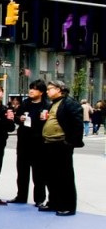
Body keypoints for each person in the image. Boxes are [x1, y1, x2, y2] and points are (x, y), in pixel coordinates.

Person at [38, 80, 83, 216]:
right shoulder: (54, 103)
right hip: (49, 143)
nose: (47, 91)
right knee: (51, 176)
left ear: (59, 89)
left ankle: (68, 206)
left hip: (61, 144)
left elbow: (77, 123)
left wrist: (70, 142)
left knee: (64, 176)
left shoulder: (69, 103)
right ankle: (54, 202)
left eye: (50, 88)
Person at [8, 80, 50, 205]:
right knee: (22, 172)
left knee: (39, 173)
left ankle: (39, 199)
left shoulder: (46, 105)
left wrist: (45, 119)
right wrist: (19, 118)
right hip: (23, 142)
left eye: (35, 89)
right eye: (30, 88)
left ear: (41, 92)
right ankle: (21, 196)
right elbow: (16, 117)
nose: (31, 91)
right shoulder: (25, 103)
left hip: (39, 143)